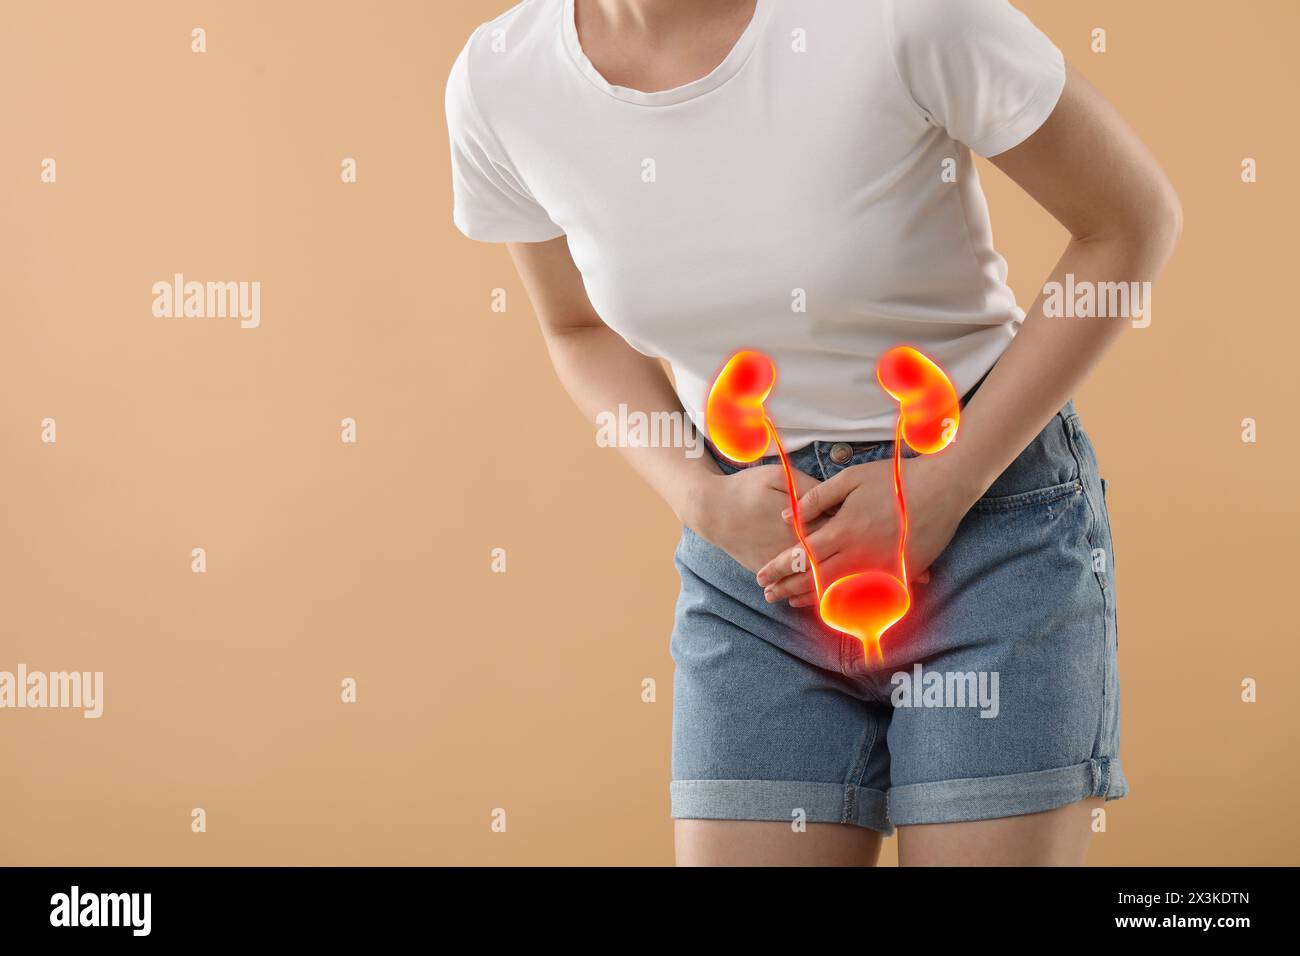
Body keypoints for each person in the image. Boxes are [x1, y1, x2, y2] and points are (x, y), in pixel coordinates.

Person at [445, 0, 1181, 866]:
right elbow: (576, 328)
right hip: (756, 568)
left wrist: (942, 488)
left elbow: (1130, 225)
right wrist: (697, 497)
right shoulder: (501, 79)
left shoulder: (898, 16)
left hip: (987, 523)